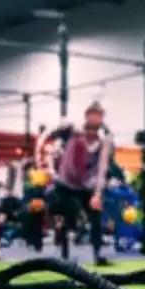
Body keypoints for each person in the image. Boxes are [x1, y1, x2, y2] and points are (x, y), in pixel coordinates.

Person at [38, 102, 114, 266]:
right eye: (93, 114)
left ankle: (97, 254)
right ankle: (64, 254)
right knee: (65, 215)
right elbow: (48, 132)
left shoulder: (104, 138)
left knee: (95, 216)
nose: (96, 118)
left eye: (99, 115)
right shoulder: (73, 129)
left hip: (86, 184)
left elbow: (103, 167)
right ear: (87, 115)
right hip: (65, 181)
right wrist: (40, 154)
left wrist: (98, 193)